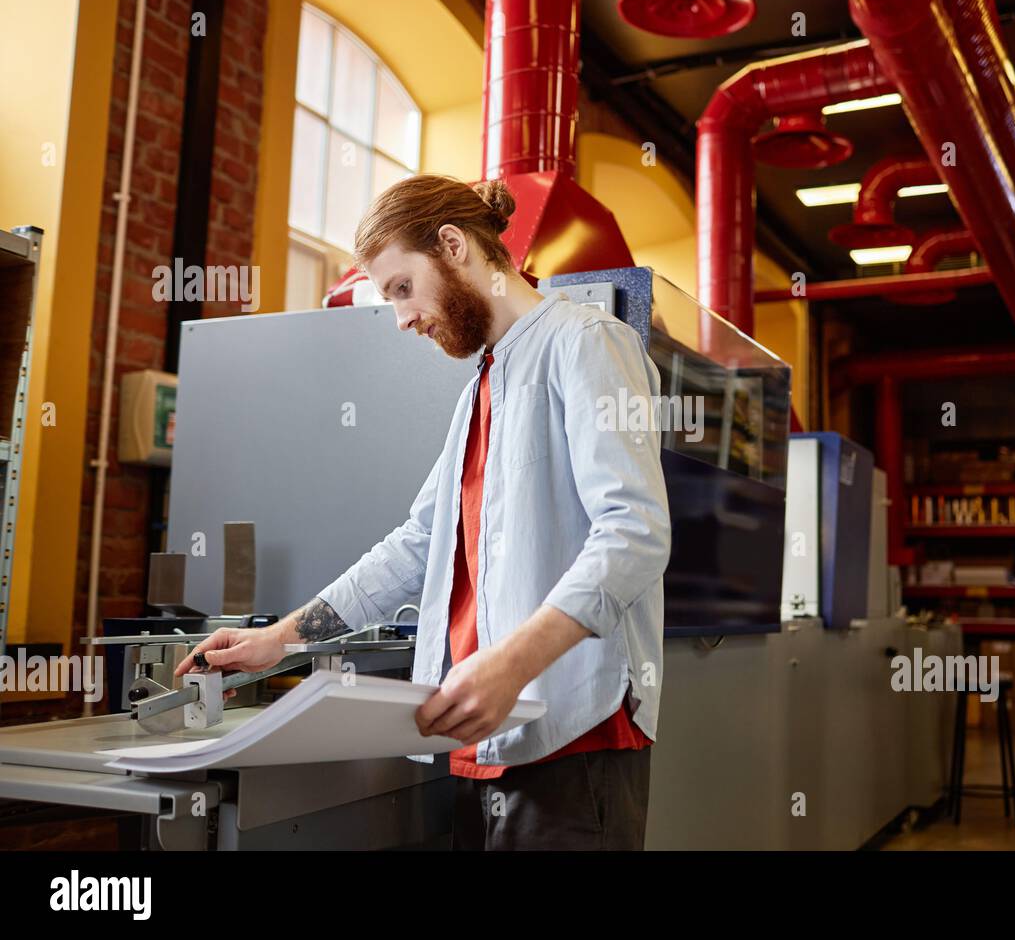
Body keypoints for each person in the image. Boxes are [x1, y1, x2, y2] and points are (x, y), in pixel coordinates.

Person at [177, 174, 671, 850]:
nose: (403, 318)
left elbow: (634, 534)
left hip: (573, 736)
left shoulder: (586, 342)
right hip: (486, 738)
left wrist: (509, 665)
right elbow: (417, 545)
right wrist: (279, 639)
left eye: (402, 288)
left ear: (452, 244)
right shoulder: (481, 389)